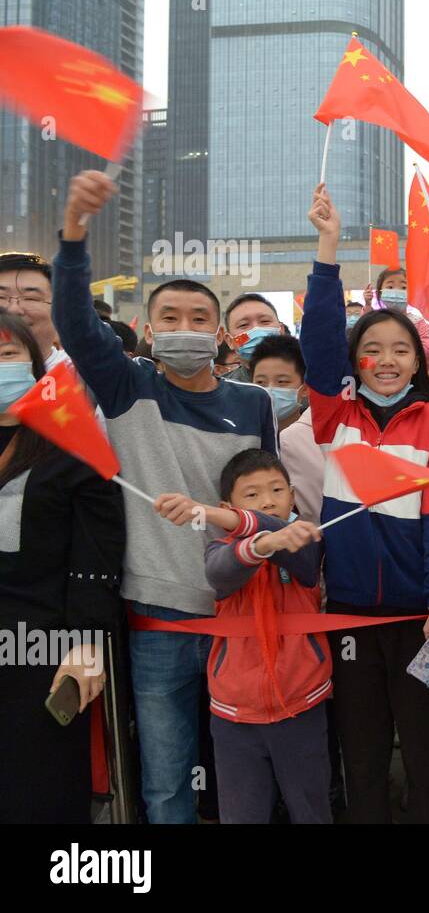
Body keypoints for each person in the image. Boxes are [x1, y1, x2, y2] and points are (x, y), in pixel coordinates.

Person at [54, 169, 277, 824]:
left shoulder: (255, 403)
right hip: (156, 623)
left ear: (222, 335)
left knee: (246, 776)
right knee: (164, 784)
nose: (186, 328)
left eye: (200, 318)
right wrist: (74, 234)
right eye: (170, 318)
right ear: (147, 331)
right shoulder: (129, 388)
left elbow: (266, 499)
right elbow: (73, 322)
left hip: (240, 615)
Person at [302, 184, 429, 824]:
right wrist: (326, 248)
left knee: (428, 756)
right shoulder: (335, 416)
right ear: (357, 362)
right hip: (347, 616)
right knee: (361, 753)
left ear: (419, 362)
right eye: (373, 350)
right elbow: (318, 342)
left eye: (402, 350)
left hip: (419, 622)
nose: (387, 361)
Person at [0, 314, 126, 823]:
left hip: (41, 644)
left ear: (35, 365)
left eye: (7, 355)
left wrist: (88, 642)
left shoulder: (73, 445)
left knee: (38, 786)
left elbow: (96, 555)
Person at [188, 449, 331, 824]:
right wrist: (258, 546)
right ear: (228, 506)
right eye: (251, 494)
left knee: (311, 811)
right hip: (234, 715)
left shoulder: (307, 539)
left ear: (293, 496)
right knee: (242, 815)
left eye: (277, 490)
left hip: (302, 705)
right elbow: (221, 574)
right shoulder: (220, 549)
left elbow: (301, 559)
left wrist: (272, 539)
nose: (269, 500)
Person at [249, 334, 324, 524]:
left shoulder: (319, 439)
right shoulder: (246, 438)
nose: (270, 390)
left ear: (305, 388)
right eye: (261, 383)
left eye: (282, 382)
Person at [369, 267, 429, 355]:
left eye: (404, 287)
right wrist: (367, 306)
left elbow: (427, 350)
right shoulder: (374, 320)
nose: (397, 291)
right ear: (380, 293)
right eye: (390, 287)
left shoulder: (418, 323)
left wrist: (404, 353)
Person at [224, 293, 286, 383]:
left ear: (281, 331)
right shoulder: (223, 389)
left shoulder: (308, 381)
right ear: (229, 341)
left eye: (265, 321)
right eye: (244, 325)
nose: (256, 329)